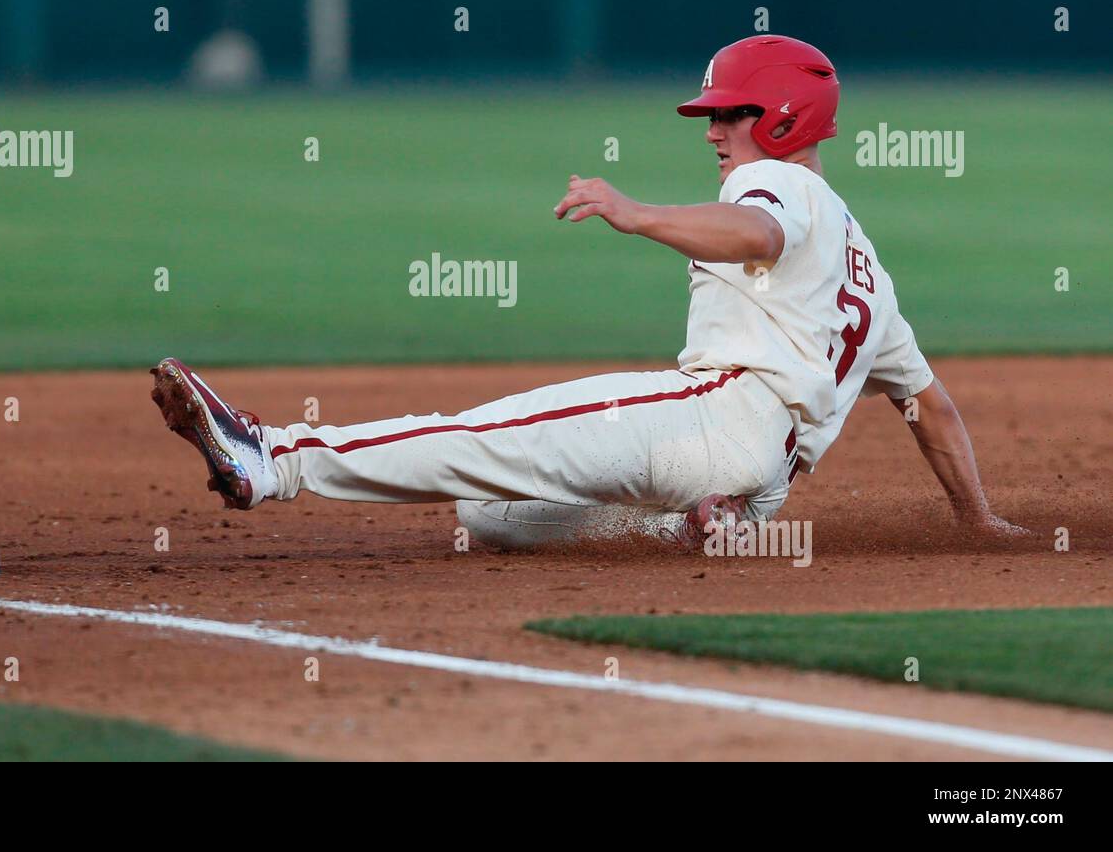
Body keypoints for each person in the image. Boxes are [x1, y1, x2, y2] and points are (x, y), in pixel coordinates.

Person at [151, 35, 1028, 549]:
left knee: (490, 434)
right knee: (489, 515)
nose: (716, 129)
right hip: (763, 481)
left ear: (785, 121)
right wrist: (977, 522)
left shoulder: (786, 190)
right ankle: (706, 529)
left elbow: (758, 235)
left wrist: (635, 213)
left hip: (719, 419)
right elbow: (930, 408)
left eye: (732, 114)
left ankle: (276, 456)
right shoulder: (868, 272)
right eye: (715, 116)